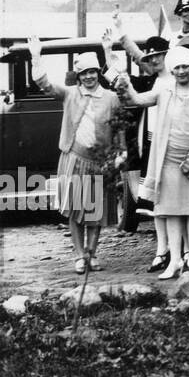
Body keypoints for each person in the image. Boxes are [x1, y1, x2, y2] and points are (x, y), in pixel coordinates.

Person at [29, 39, 125, 273]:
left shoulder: (111, 98)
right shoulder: (70, 94)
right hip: (73, 158)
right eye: (84, 73)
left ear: (97, 73)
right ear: (78, 75)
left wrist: (120, 155)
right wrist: (36, 56)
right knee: (75, 209)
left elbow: (120, 127)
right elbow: (44, 83)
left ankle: (92, 254)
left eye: (92, 72)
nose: (89, 77)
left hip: (101, 162)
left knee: (96, 210)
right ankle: (80, 255)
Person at [118, 48, 189, 279]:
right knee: (170, 211)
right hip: (167, 159)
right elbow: (137, 100)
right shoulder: (164, 90)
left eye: (185, 67)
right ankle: (175, 261)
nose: (181, 71)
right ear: (172, 69)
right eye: (177, 67)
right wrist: (126, 82)